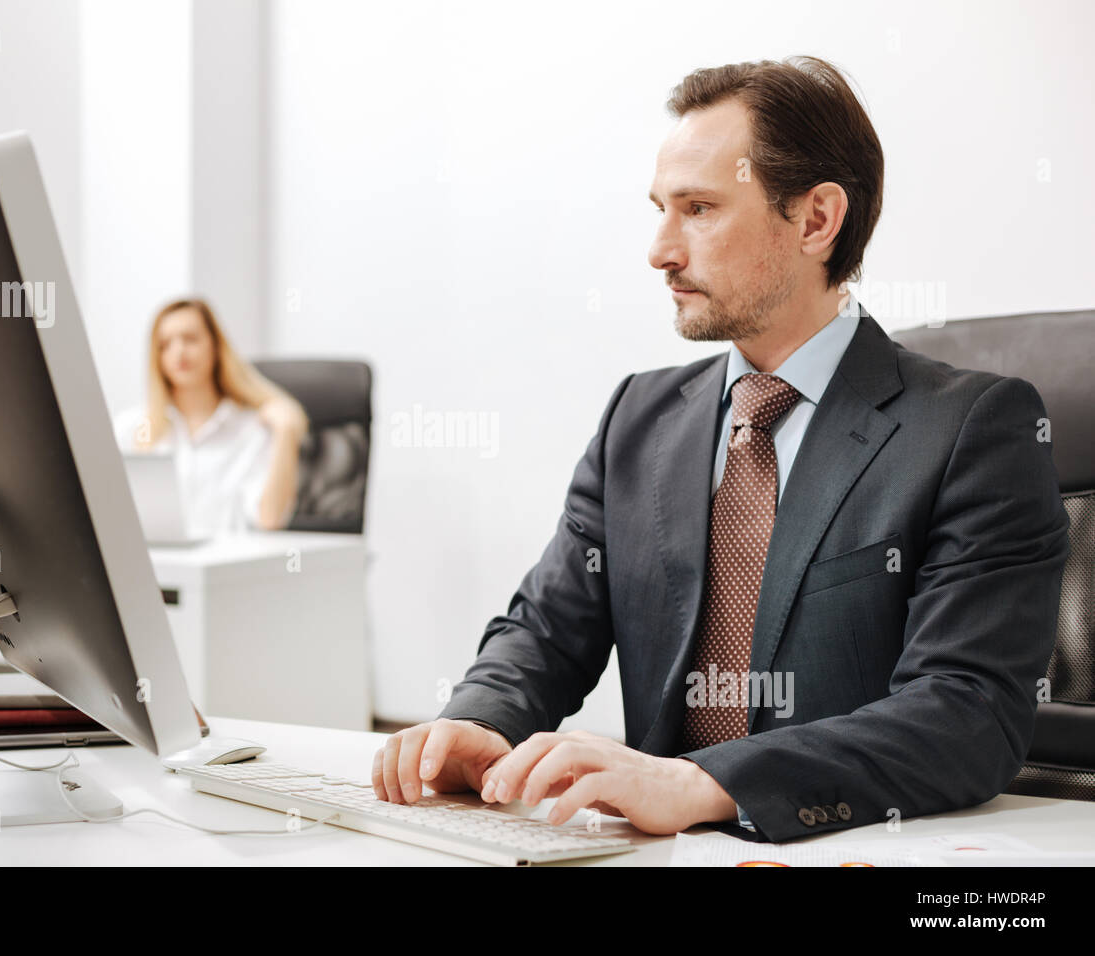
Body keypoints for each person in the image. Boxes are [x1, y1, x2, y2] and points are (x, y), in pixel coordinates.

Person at [370, 56, 1069, 843]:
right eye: (660, 209)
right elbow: (546, 630)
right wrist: (480, 720)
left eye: (698, 209)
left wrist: (704, 783)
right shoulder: (640, 416)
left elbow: (966, 713)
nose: (660, 250)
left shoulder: (972, 429)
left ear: (815, 221)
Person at [114, 298, 308, 535]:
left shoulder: (253, 430)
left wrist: (286, 432)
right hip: (158, 567)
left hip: (231, 567)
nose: (179, 352)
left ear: (215, 346)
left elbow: (270, 520)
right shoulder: (131, 428)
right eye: (165, 344)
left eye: (190, 339)